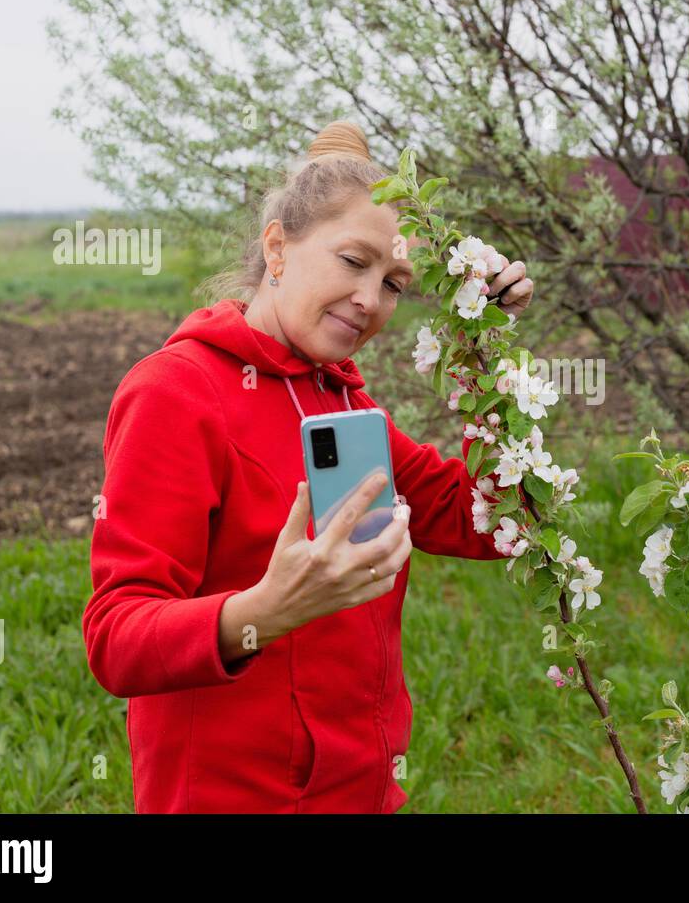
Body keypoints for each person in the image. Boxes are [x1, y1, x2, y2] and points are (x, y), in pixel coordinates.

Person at [83, 120, 534, 813]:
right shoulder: (177, 392)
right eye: (354, 262)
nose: (371, 300)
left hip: (362, 791)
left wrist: (484, 355)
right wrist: (264, 612)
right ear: (277, 248)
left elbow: (488, 519)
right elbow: (117, 638)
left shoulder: (341, 402)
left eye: (395, 283)